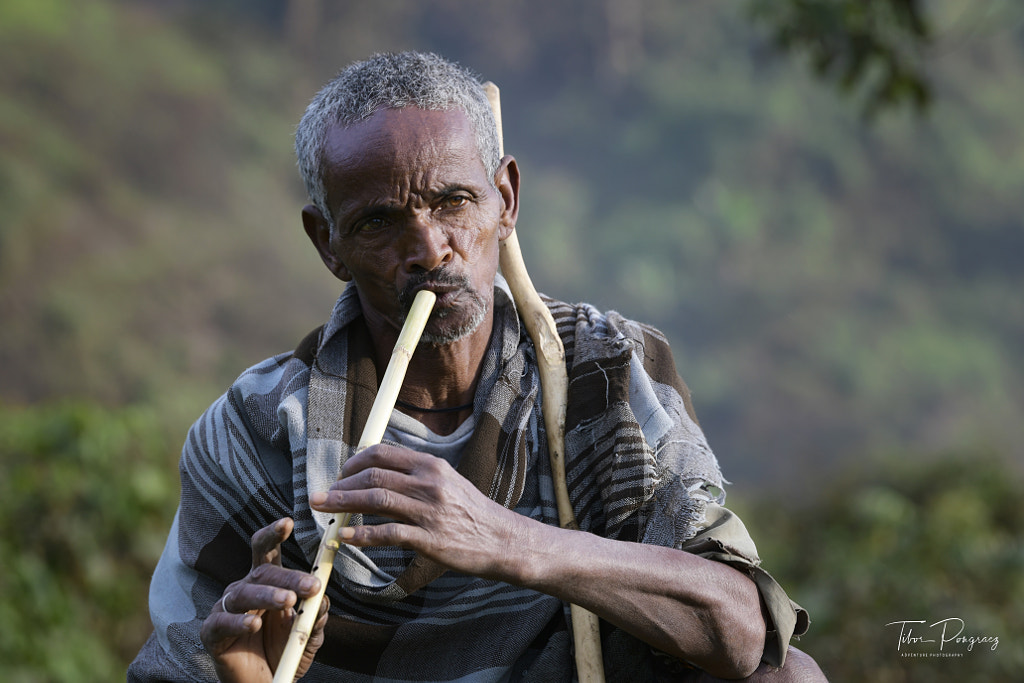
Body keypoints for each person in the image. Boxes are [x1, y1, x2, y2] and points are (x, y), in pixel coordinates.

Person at [129, 51, 825, 682]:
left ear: (507, 199)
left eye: (454, 202)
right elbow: (175, 666)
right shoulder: (253, 429)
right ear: (327, 243)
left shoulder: (606, 370)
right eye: (378, 223)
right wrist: (246, 675)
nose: (430, 249)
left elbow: (740, 631)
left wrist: (507, 539)